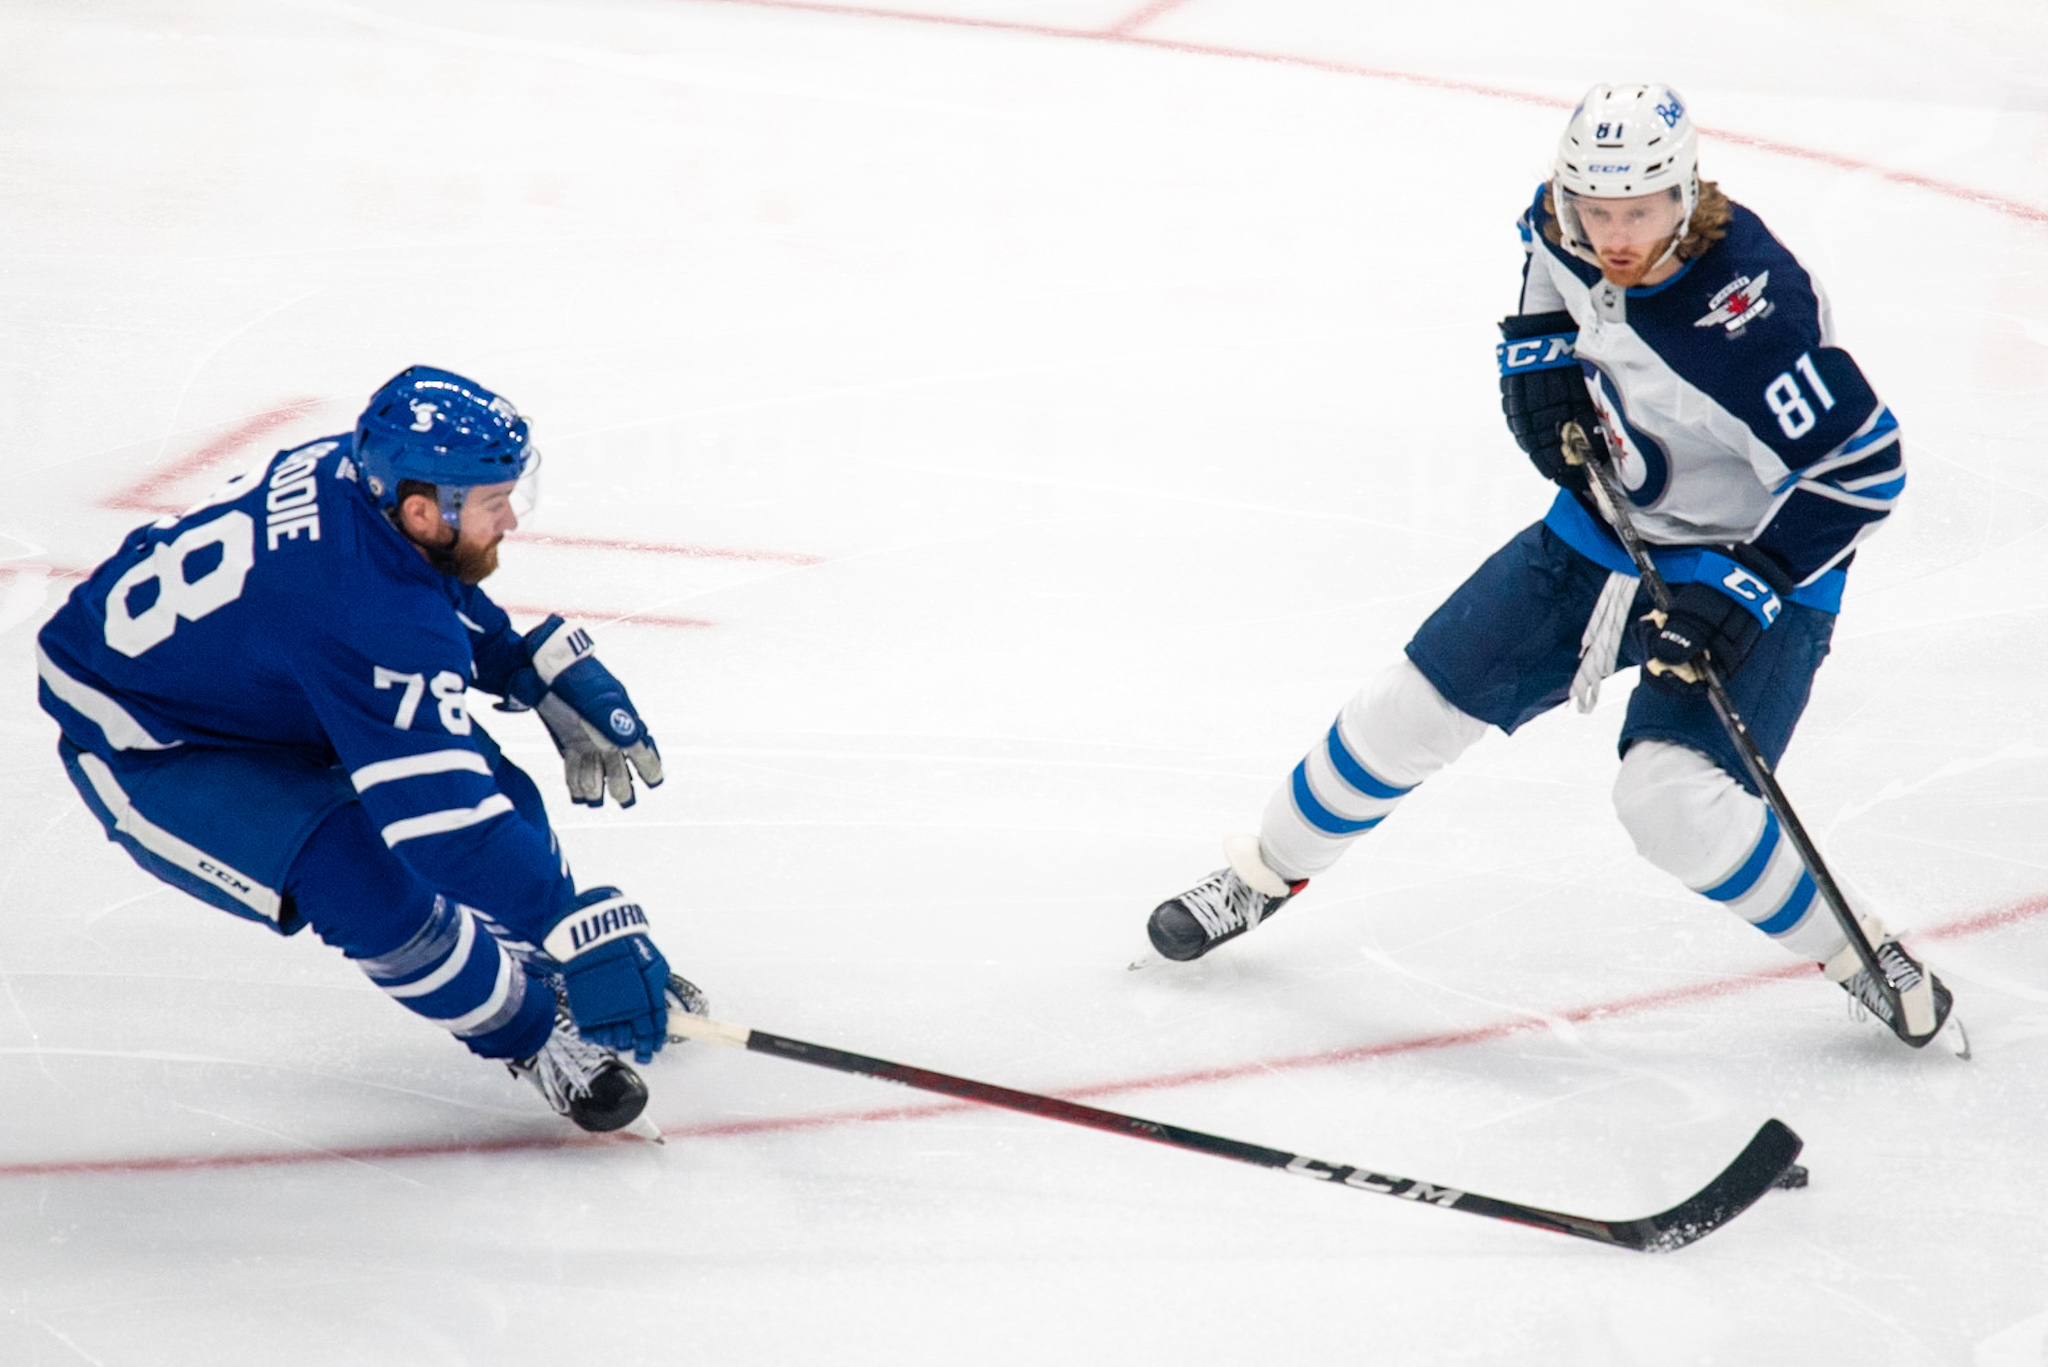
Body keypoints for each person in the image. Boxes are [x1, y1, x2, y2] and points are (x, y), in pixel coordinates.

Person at [1146, 84, 1961, 1051]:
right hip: (1601, 529)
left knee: (1671, 805)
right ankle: (1262, 874)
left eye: (1640, 213)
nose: (1614, 235)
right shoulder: (1563, 220)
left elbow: (1867, 471)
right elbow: (1544, 250)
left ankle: (1863, 950)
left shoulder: (1750, 312)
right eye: (1597, 211)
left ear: (1684, 193)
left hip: (1759, 556)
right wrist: (1535, 349)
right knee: (1406, 709)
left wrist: (1750, 581)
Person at [36, 366, 703, 1135]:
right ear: (424, 510)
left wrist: (517, 660)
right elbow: (442, 824)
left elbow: (411, 584)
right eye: (494, 504)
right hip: (152, 740)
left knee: (488, 781)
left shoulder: (363, 480)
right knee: (362, 878)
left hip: (261, 677)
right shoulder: (368, 611)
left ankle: (551, 976)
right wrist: (577, 924)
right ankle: (532, 1035)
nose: (513, 519)